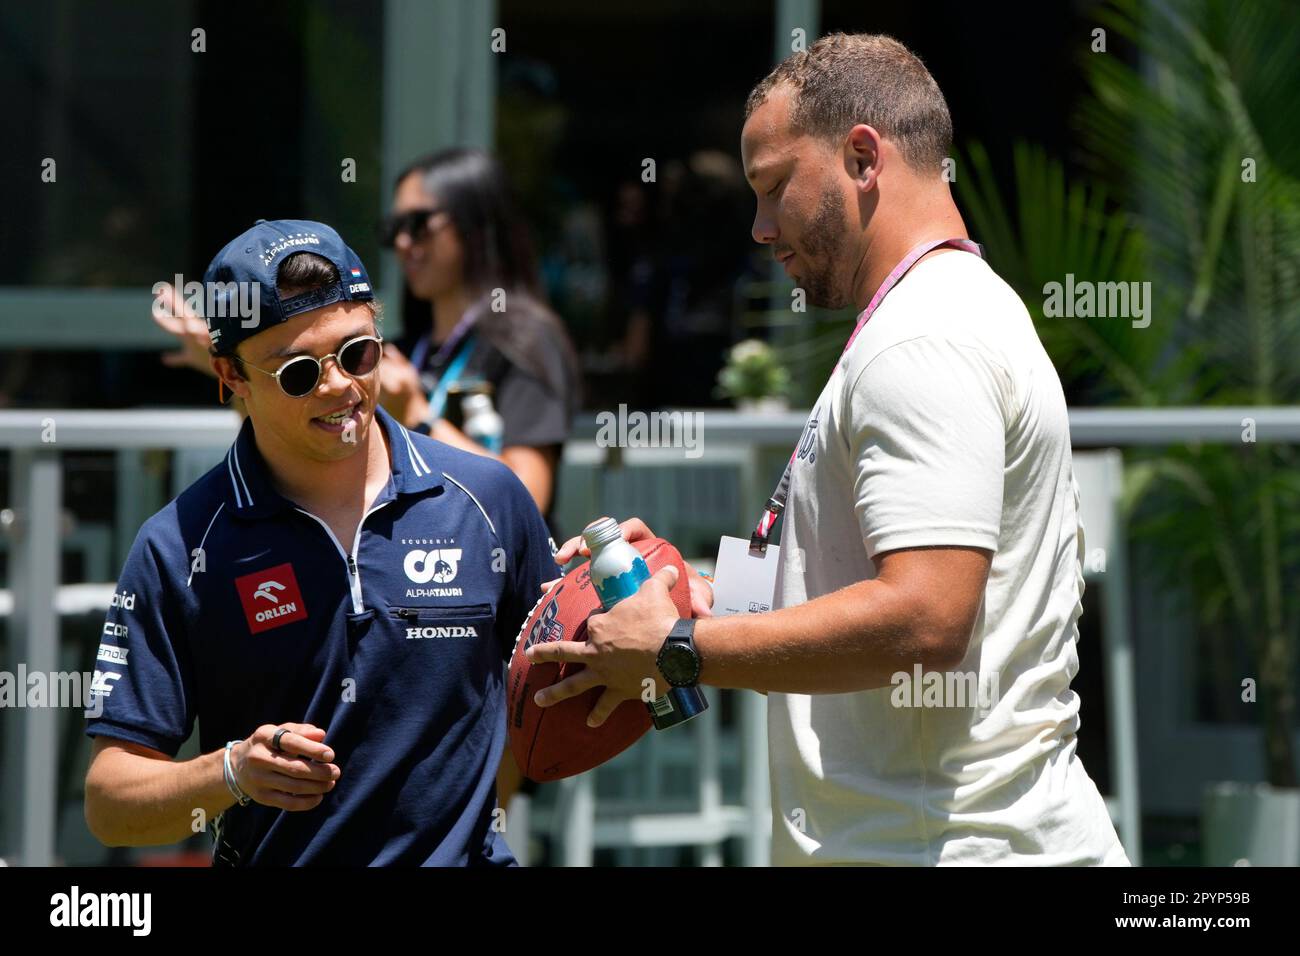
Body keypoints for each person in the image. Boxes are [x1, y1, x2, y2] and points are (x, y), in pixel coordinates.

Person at [527, 34, 1129, 866]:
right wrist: (694, 600)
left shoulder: (924, 340)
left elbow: (925, 616)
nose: (760, 227)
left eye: (774, 187)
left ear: (861, 157)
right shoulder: (929, 317)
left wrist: (679, 649)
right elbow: (859, 586)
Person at [85, 219, 557, 865]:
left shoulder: (486, 498)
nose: (339, 385)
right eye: (299, 372)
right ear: (231, 376)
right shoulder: (181, 543)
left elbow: (564, 685)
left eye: (358, 353)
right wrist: (230, 773)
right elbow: (111, 805)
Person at [378, 148, 581, 523]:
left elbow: (527, 496)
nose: (404, 243)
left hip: (497, 576)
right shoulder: (400, 351)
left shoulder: (527, 339)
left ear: (475, 226)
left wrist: (418, 420)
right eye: (394, 229)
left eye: (418, 224)